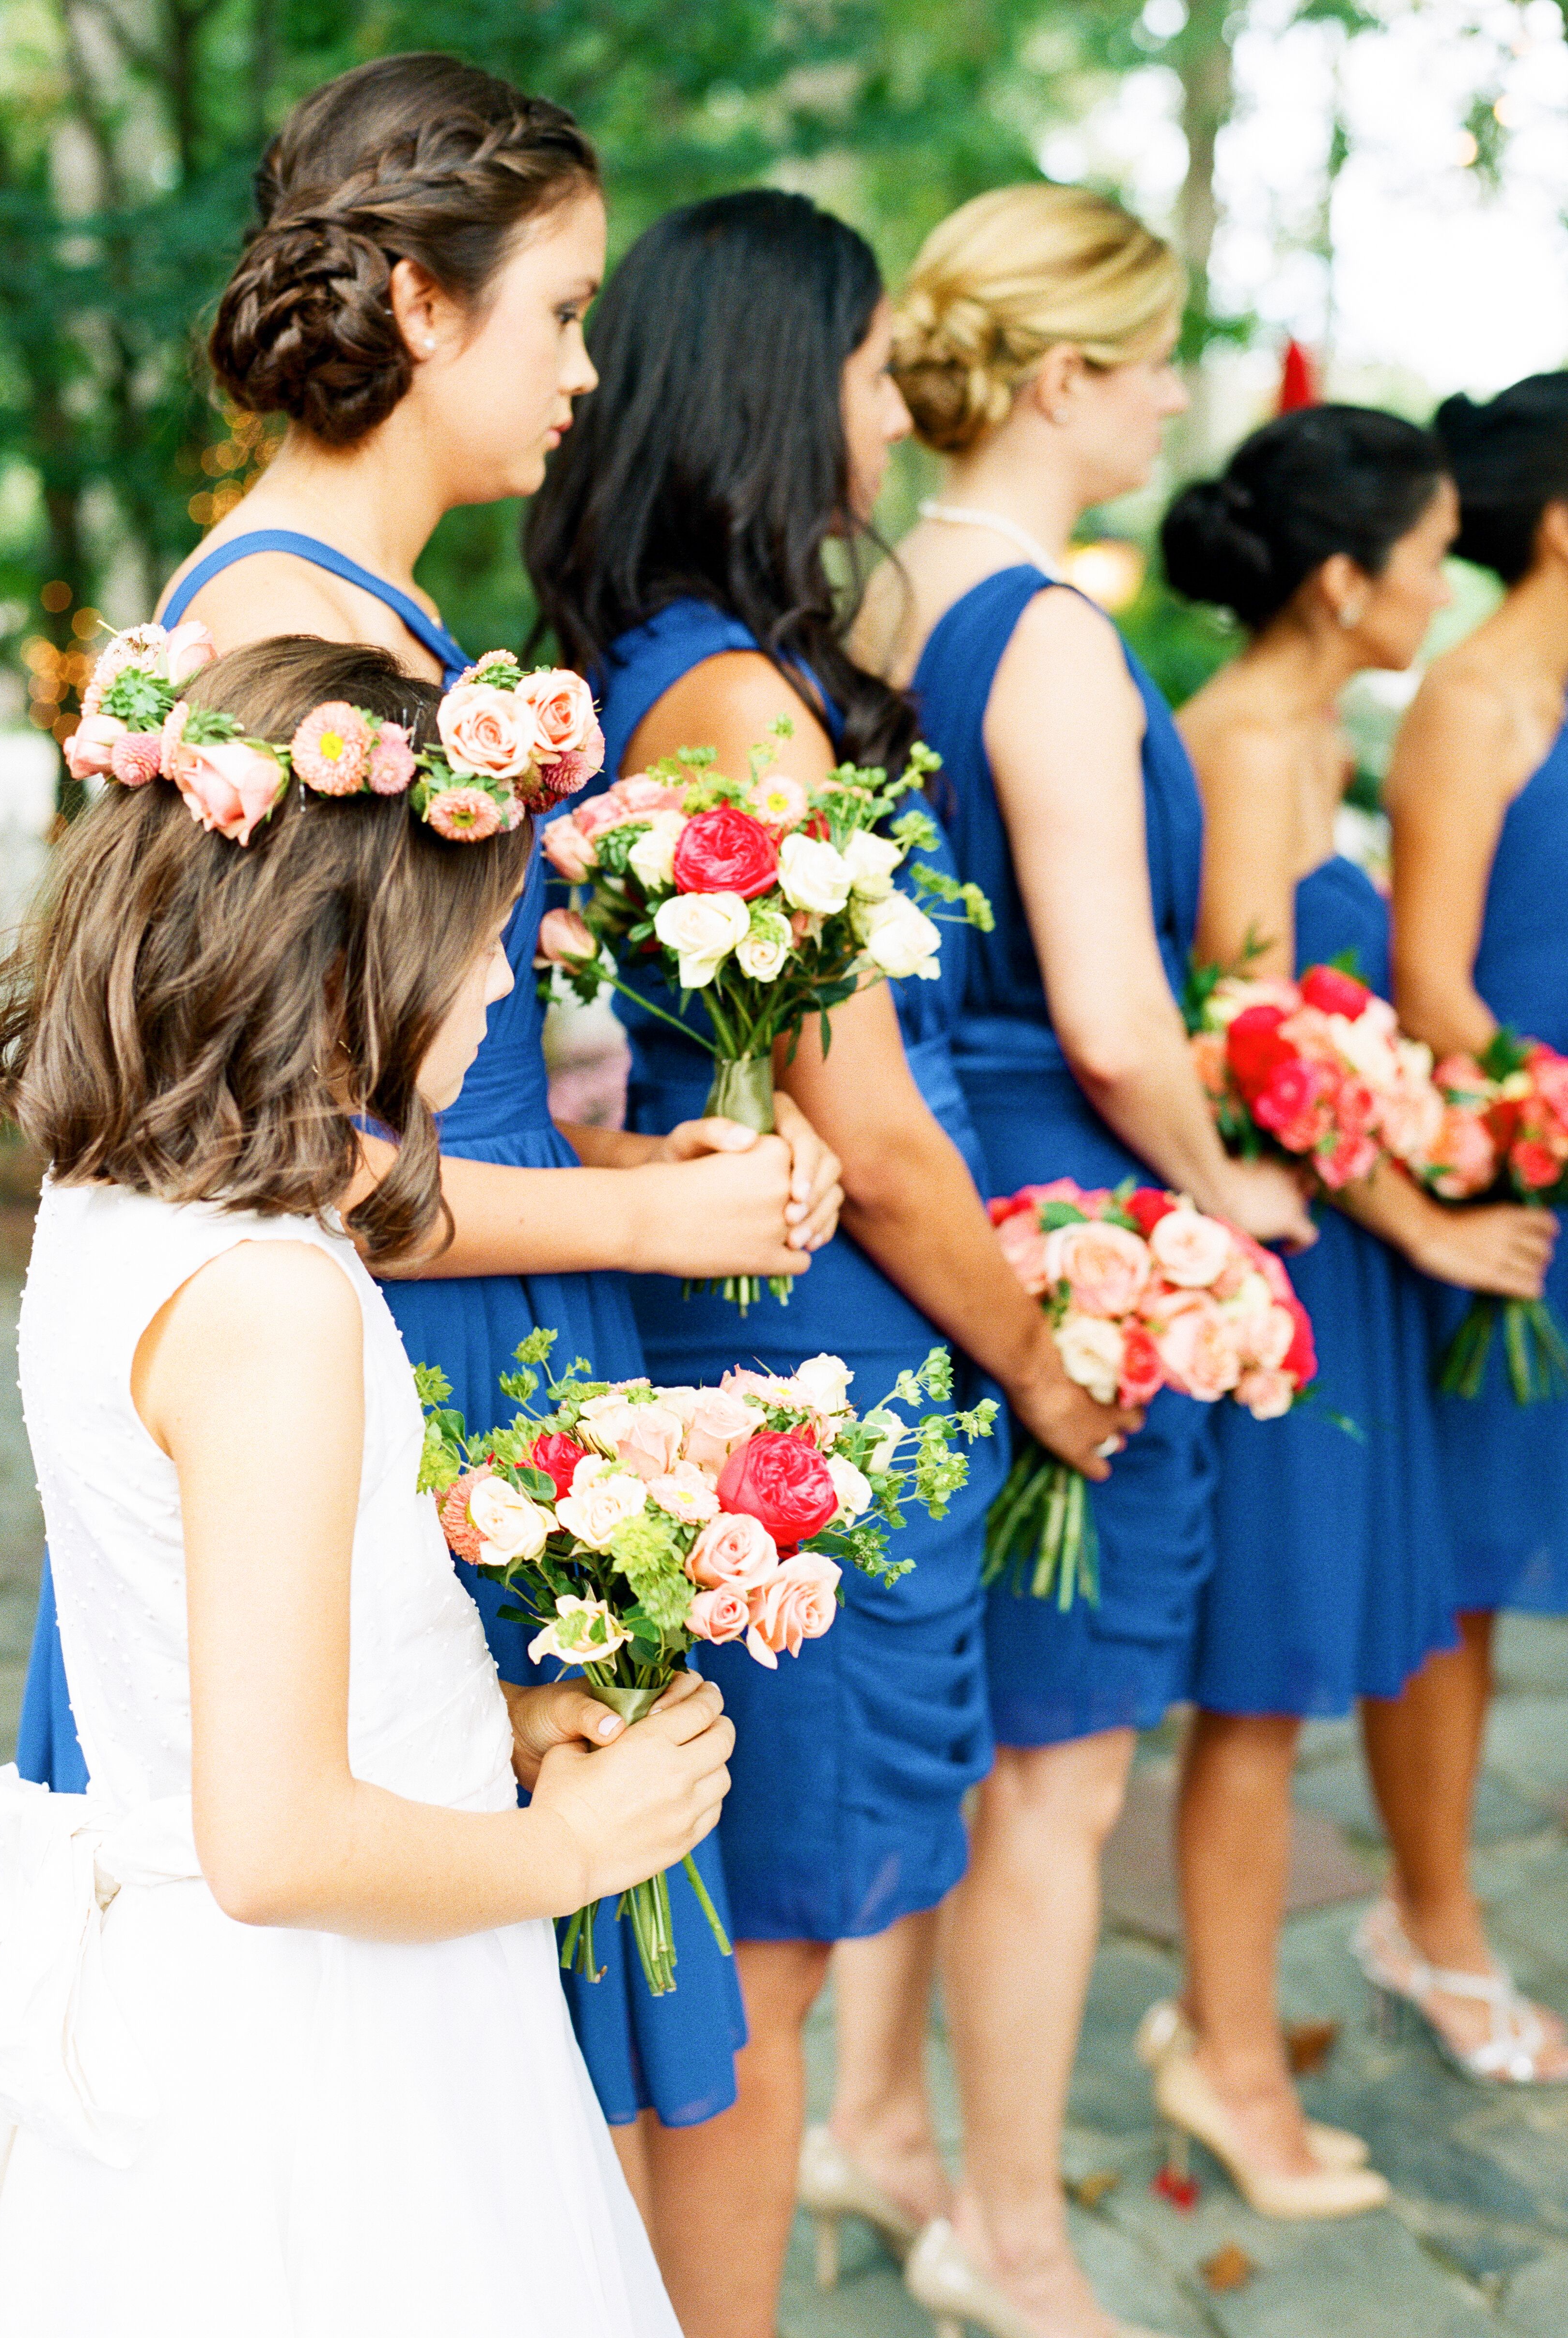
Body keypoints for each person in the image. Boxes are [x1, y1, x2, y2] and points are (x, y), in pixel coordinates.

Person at [13, 51, 840, 2217]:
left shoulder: (382, 615)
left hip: (442, 1329)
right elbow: (267, 1157)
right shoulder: (280, 632)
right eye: (560, 308)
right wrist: (661, 1235)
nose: (587, 365)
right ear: (414, 306)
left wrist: (619, 1160)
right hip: (366, 1363)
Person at [0, 632, 736, 2334]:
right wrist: (572, 1846)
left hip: (251, 1989)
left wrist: (496, 1726)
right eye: (481, 945)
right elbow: (280, 1842)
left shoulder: (129, 1204)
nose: (509, 992)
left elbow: (207, 1638)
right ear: (352, 948)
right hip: (318, 2041)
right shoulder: (270, 1298)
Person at [525, 187, 1133, 2338]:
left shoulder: (665, 668)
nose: (893, 414)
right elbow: (871, 1134)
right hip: (825, 1363)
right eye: (871, 369)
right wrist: (1042, 1369)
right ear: (788, 389)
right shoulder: (743, 709)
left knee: (756, 1936)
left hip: (758, 1330)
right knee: (761, 1957)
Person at [829, 183, 1316, 2338]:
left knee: (960, 1720)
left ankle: (875, 2125)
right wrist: (1235, 1199)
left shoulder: (857, 596)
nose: (1174, 400)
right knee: (1058, 1768)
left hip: (922, 1182)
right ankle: (1002, 2236)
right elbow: (1116, 1016)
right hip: (1067, 1206)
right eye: (1151, 360)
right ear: (1055, 382)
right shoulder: (1038, 632)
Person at [1153, 403, 1554, 2210]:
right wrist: (1428, 1215)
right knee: (1260, 1693)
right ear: (1342, 580)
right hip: (1295, 1263)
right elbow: (1246, 1044)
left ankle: (1232, 2042)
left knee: (1297, 1683)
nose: (1438, 585)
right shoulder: (1245, 744)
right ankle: (1227, 2065)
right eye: (1420, 556)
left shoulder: (1317, 733)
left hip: (1353, 1251)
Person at [1372, 371, 1568, 2085]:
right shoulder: (1475, 699)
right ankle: (1431, 1922)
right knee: (1465, 1586)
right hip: (1511, 1196)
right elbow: (1433, 984)